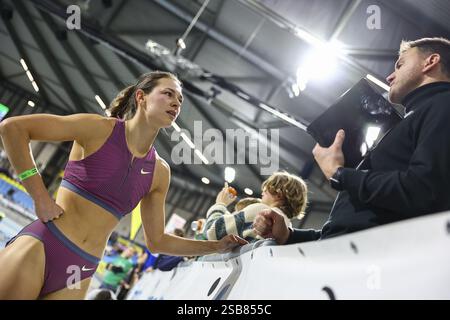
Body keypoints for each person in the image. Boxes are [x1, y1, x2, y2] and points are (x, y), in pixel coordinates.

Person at [0, 71, 247, 299]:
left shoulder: (159, 172)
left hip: (79, 270)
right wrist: (40, 197)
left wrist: (215, 246)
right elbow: (13, 128)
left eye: (180, 100)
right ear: (141, 97)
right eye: (168, 93)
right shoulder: (97, 128)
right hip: (44, 245)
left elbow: (157, 241)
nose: (176, 103)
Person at [253, 37, 450, 245]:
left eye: (400, 65)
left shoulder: (443, 105)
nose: (390, 76)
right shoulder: (412, 121)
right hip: (351, 257)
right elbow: (353, 227)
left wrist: (340, 174)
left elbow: (423, 191)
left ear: (431, 61)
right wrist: (289, 236)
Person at [204, 172, 308, 242]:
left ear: (279, 194)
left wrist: (220, 204)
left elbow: (212, 233)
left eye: (267, 189)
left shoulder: (262, 211)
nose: (263, 192)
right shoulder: (286, 226)